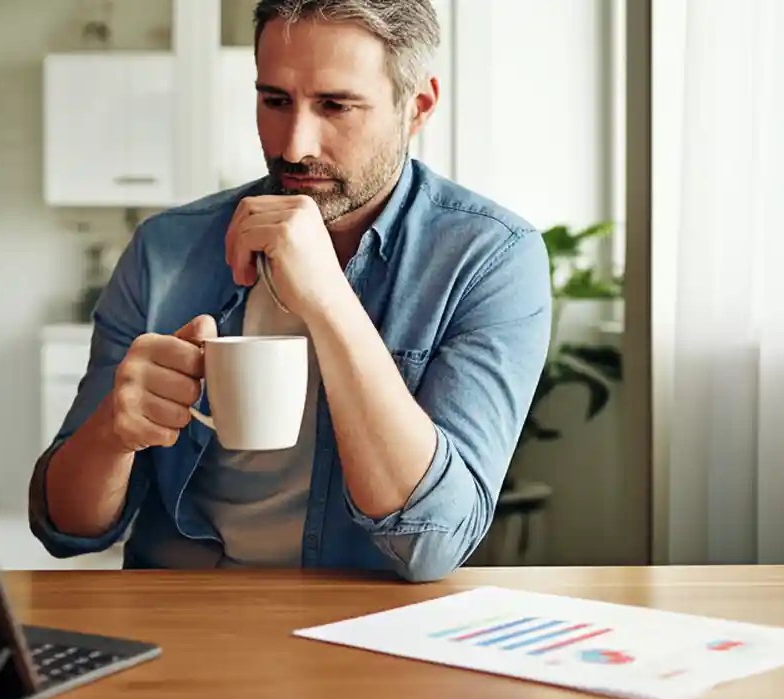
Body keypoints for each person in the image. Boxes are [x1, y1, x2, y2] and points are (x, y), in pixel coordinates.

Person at [28, 0, 551, 582]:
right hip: (183, 614)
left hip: (360, 625)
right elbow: (65, 528)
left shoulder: (490, 257)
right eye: (275, 101)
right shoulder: (165, 249)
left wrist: (327, 299)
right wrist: (112, 433)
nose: (295, 144)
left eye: (336, 105)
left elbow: (431, 543)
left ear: (417, 107)